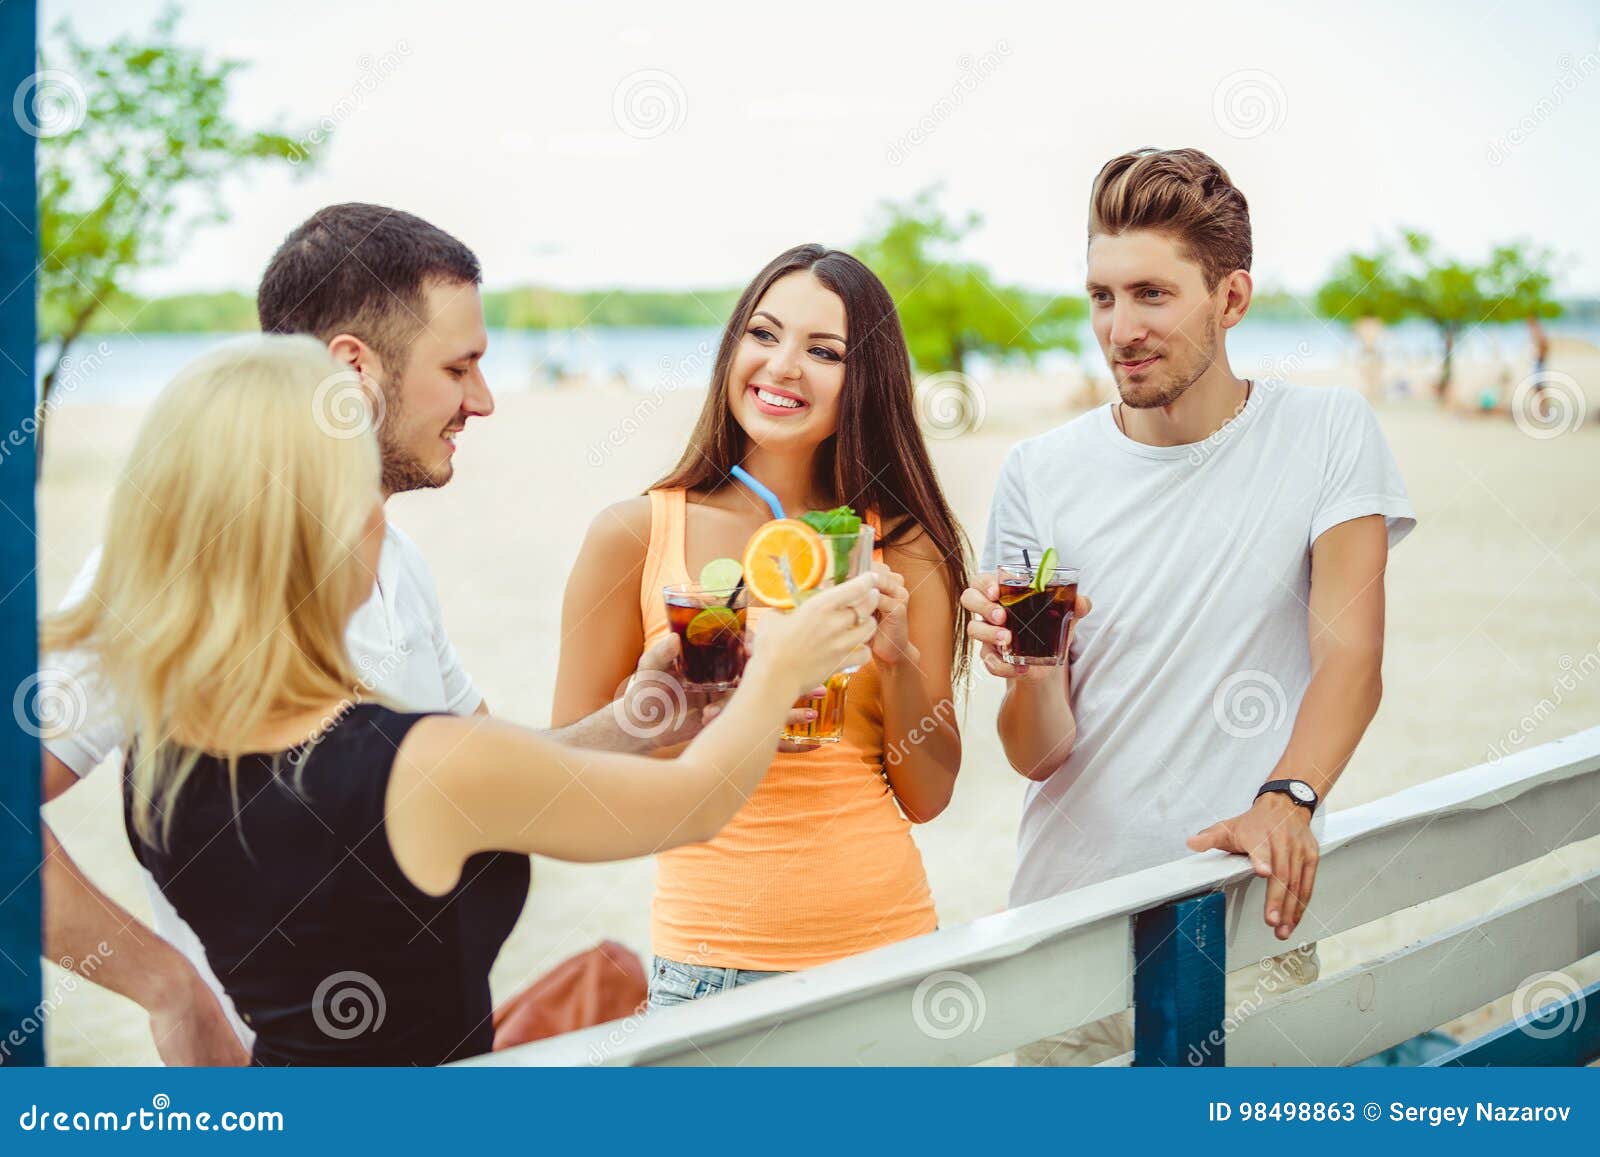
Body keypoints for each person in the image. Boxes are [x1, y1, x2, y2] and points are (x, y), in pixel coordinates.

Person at [41, 335, 883, 1065]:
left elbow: (503, 784)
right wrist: (778, 670)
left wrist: (636, 717)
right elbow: (691, 804)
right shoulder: (411, 762)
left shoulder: (165, 755)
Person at [961, 148, 1416, 1065]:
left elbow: (1351, 662)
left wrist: (1287, 797)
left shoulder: (1327, 434)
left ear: (1231, 299)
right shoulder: (1039, 473)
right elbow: (1036, 752)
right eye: (1100, 297)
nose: (1119, 327)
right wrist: (1033, 668)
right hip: (1064, 932)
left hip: (1240, 925)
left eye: (1151, 295)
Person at [552, 244, 968, 1006]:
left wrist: (900, 659)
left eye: (824, 350)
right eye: (763, 334)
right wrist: (656, 714)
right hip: (708, 969)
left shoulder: (902, 548)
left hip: (890, 955)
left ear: (864, 381)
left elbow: (930, 794)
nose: (781, 366)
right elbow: (567, 792)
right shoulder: (633, 536)